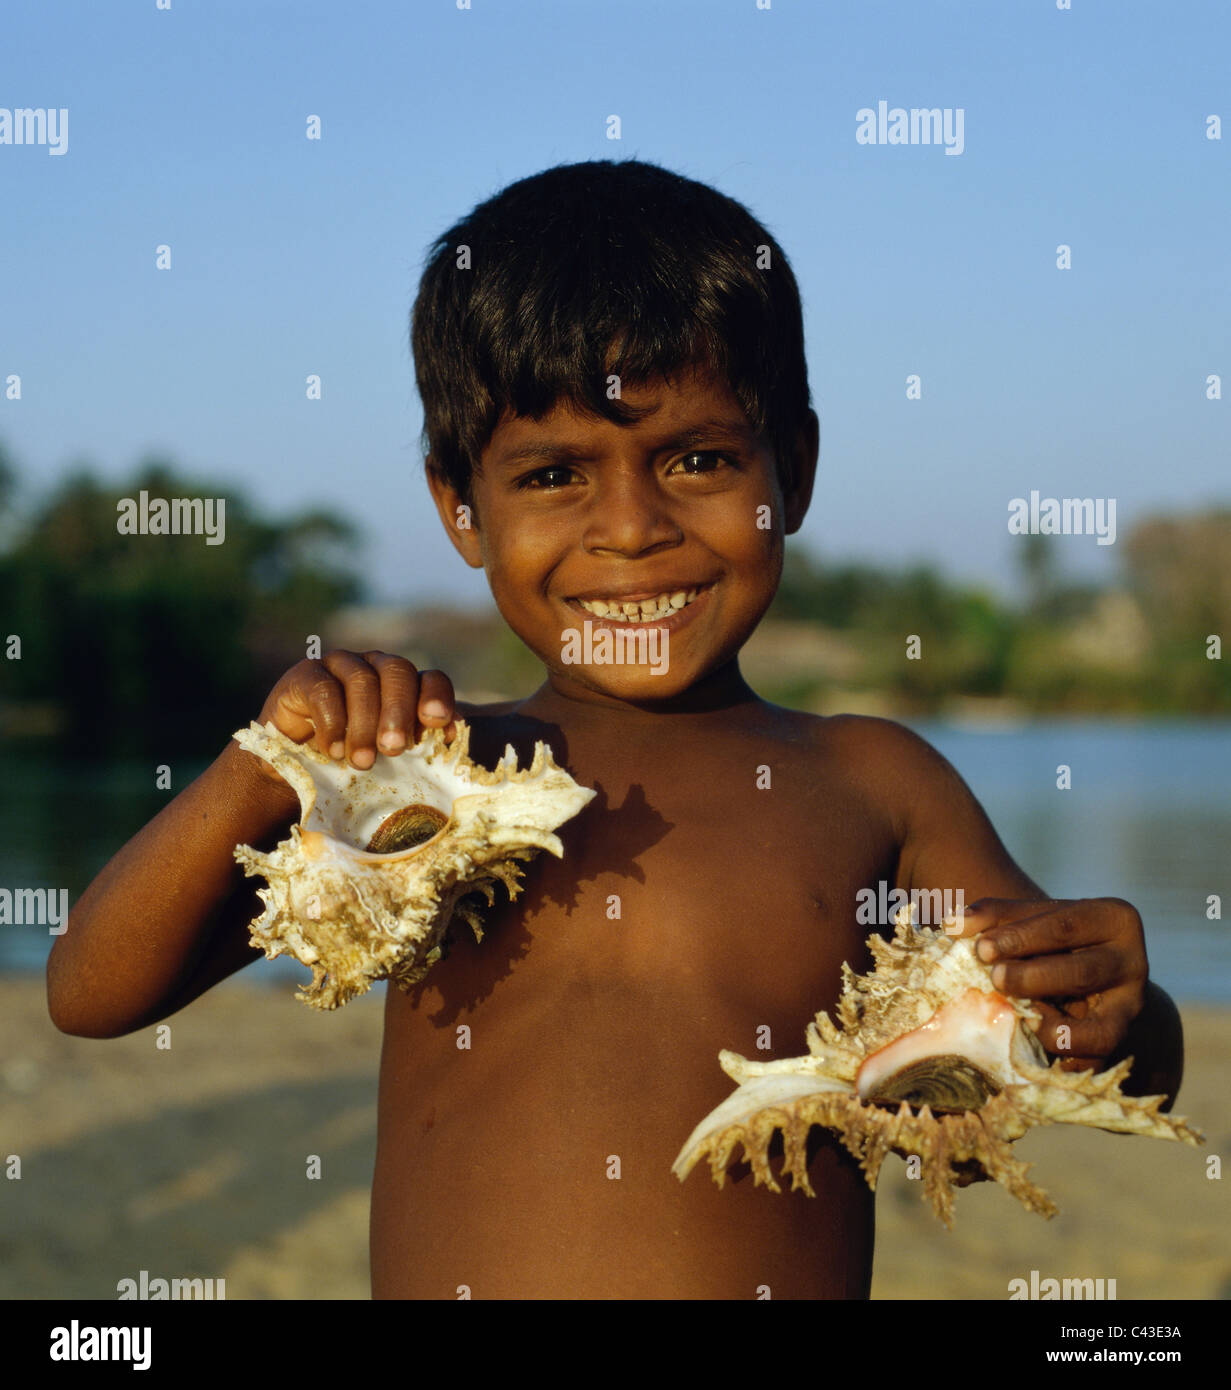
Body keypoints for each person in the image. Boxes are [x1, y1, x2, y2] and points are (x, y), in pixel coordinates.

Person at [48, 159, 1184, 1299]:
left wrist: (1120, 1010)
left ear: (791, 469)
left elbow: (1047, 1050)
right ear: (461, 509)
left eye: (698, 460)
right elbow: (93, 995)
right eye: (552, 474)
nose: (632, 528)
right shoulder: (415, 783)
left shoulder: (876, 783)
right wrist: (265, 768)